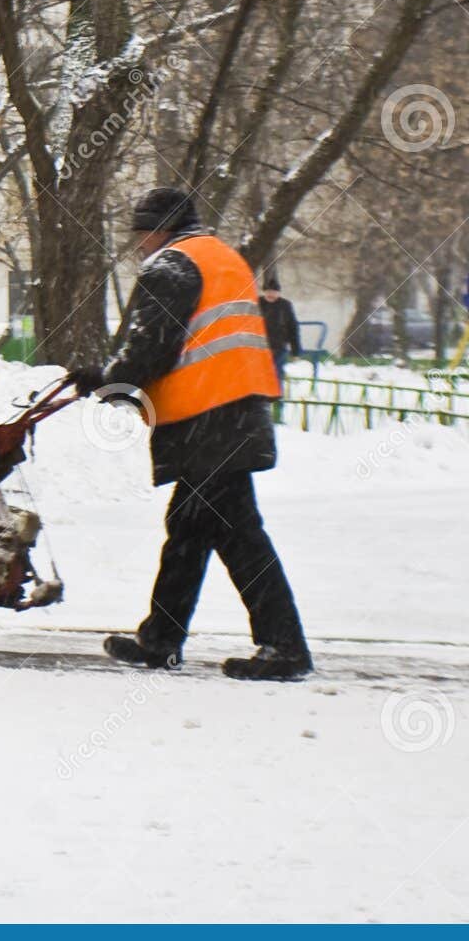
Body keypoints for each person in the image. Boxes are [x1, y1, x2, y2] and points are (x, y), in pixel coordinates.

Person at [70, 187, 313, 681]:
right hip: (238, 414)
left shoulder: (170, 267)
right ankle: (161, 640)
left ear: (160, 229)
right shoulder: (223, 258)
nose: (140, 244)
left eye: (142, 234)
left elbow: (153, 345)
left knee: (240, 538)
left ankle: (286, 648)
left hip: (208, 421)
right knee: (188, 529)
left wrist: (107, 380)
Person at [258, 272, 301, 382]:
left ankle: (276, 391)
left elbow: (293, 327)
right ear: (264, 292)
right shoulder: (257, 303)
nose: (271, 294)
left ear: (279, 293)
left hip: (278, 346)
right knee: (259, 374)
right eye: (268, 291)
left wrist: (295, 350)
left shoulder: (285, 306)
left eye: (274, 292)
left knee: (275, 374)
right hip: (258, 346)